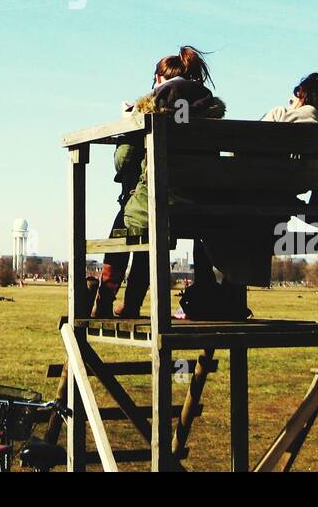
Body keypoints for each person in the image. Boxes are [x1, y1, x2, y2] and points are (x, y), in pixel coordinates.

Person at [184, 72, 318, 320]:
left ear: (302, 95)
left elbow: (241, 150)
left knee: (203, 224)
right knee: (245, 233)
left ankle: (208, 296)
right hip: (279, 209)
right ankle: (229, 300)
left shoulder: (281, 114)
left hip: (248, 201)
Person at [92, 46, 226, 319]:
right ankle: (130, 303)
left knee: (131, 219)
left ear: (159, 79)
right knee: (148, 221)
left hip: (161, 204)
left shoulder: (155, 106)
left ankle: (106, 300)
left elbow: (124, 161)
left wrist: (129, 124)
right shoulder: (209, 113)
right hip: (200, 210)